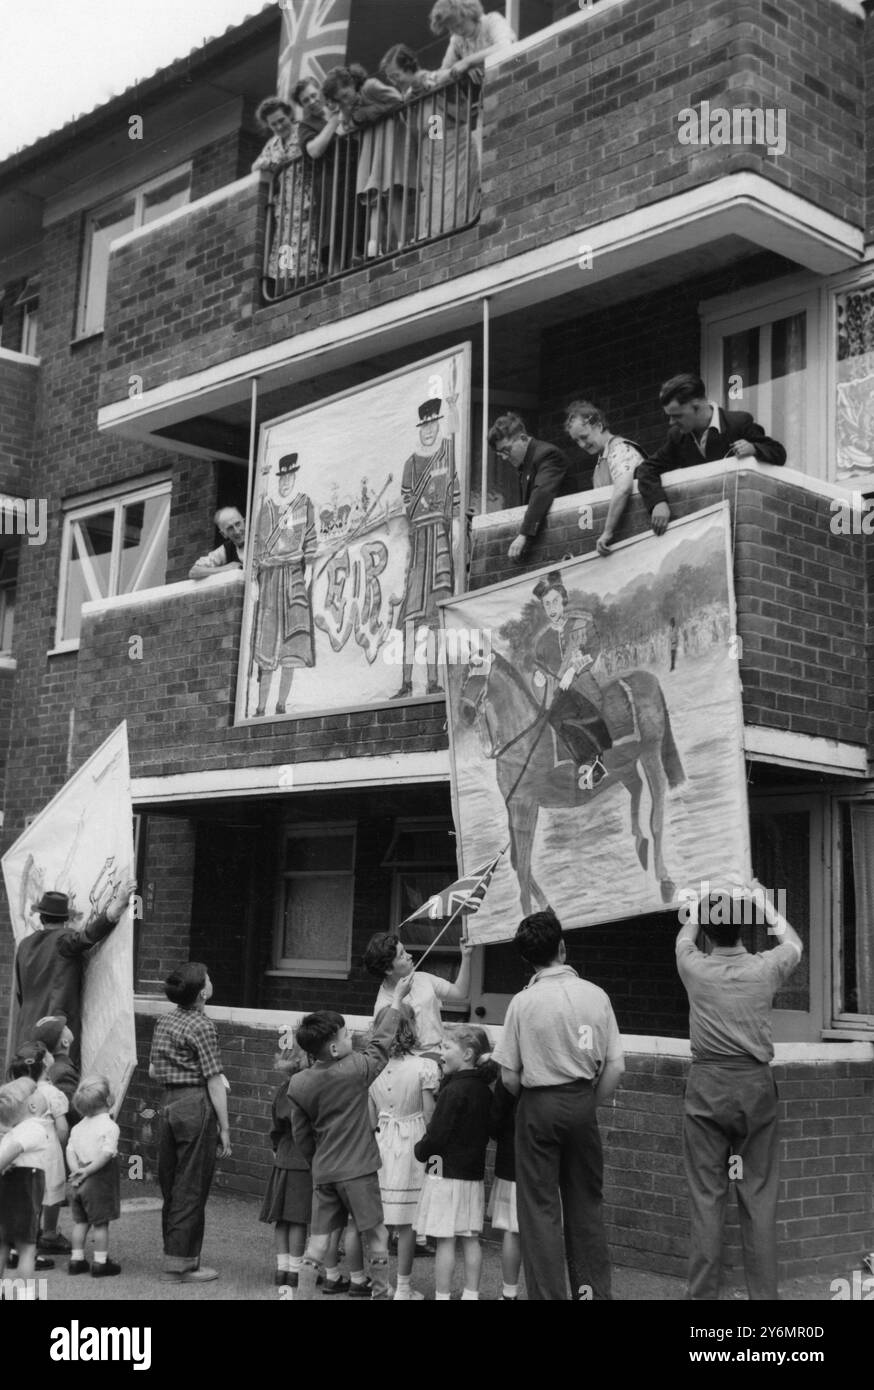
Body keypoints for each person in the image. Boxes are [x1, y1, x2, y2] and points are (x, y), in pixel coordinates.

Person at [675, 880, 803, 1301]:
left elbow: (684, 936)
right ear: (742, 930)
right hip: (754, 1086)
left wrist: (696, 906)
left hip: (707, 1084)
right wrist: (763, 902)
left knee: (707, 1196)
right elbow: (794, 942)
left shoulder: (693, 966)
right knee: (758, 1195)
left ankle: (701, 1297)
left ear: (709, 933)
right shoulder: (765, 968)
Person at [493, 909, 625, 1301]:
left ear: (526, 959)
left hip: (537, 1104)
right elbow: (616, 1066)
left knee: (538, 1211)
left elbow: (508, 1076)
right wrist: (588, 1103)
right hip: (583, 1100)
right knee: (585, 1205)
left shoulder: (522, 1002)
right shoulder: (596, 995)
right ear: (563, 948)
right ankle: (591, 1294)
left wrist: (535, 1102)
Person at [287, 974, 414, 1301]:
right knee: (377, 1234)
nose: (351, 1035)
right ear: (333, 1047)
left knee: (317, 1243)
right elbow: (381, 1044)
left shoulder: (298, 1084)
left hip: (324, 1170)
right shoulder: (355, 1069)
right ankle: (380, 1294)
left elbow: (302, 1135)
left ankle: (302, 1297)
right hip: (358, 1171)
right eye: (346, 1034)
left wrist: (317, 1160)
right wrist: (396, 1002)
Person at [148, 962, 231, 1284]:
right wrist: (225, 1128)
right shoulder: (203, 1025)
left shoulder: (165, 1020)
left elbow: (155, 1070)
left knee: (171, 1183)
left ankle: (176, 1255)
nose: (211, 981)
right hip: (195, 1105)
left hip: (167, 1105)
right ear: (201, 993)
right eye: (207, 978)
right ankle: (183, 1266)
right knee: (191, 1186)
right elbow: (213, 1080)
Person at [636, 373, 787, 536]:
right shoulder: (677, 437)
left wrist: (754, 448)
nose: (671, 422)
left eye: (677, 416)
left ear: (697, 406)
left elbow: (778, 452)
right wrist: (657, 502)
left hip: (740, 526)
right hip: (700, 529)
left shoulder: (738, 423)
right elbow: (646, 469)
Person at [14, 879, 136, 1065]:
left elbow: (20, 993)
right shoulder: (63, 940)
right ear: (65, 919)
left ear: (41, 917)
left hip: (26, 1027)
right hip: (54, 1032)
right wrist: (118, 905)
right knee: (55, 1084)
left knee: (26, 1081)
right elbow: (89, 935)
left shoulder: (24, 945)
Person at [413, 1024, 493, 1301]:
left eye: (446, 1047)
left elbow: (436, 1138)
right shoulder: (485, 1090)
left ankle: (443, 1296)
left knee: (445, 1239)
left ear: (468, 1054)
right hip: (472, 1175)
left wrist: (420, 1151)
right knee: (471, 1237)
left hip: (443, 1172)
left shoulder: (453, 1091)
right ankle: (471, 1295)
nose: (440, 1053)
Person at [368, 1006, 440, 1300]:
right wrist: (436, 1162)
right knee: (408, 1222)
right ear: (411, 1027)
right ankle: (404, 1288)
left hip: (382, 1140)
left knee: (380, 1221)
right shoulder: (425, 1066)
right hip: (414, 1143)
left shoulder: (370, 1066)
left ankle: (379, 1287)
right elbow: (430, 1114)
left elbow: (370, 1118)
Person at [391, 394, 460, 698]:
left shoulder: (447, 451)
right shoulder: (410, 463)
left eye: (434, 423)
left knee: (434, 618)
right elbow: (407, 500)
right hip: (419, 541)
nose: (429, 429)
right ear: (419, 428)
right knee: (410, 617)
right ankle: (406, 683)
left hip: (440, 539)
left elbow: (455, 488)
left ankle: (433, 681)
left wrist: (456, 522)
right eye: (425, 425)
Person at [380, 43, 479, 236]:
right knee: (436, 212)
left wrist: (434, 92)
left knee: (452, 211)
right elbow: (424, 129)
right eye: (390, 78)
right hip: (433, 156)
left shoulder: (435, 79)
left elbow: (461, 114)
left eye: (396, 75)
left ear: (409, 68)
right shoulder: (409, 95)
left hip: (452, 151)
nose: (394, 82)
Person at [532, 570, 615, 790]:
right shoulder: (542, 641)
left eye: (555, 602)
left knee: (588, 709)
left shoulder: (582, 624)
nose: (551, 608)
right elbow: (540, 669)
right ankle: (581, 763)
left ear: (563, 601)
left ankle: (597, 761)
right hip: (560, 691)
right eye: (547, 604)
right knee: (555, 718)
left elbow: (594, 650)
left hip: (582, 683)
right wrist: (539, 679)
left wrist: (574, 671)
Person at [251, 453, 316, 718]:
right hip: (269, 581)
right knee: (267, 649)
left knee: (291, 650)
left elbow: (310, 535)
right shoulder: (266, 508)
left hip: (293, 579)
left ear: (295, 476)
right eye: (282, 477)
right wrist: (255, 578)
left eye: (290, 476)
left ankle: (281, 705)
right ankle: (259, 707)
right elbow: (257, 544)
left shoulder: (304, 504)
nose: (286, 481)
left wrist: (309, 568)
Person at [321, 64, 409, 259]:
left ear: (352, 83)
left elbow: (398, 100)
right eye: (340, 99)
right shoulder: (348, 106)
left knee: (391, 191)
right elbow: (347, 125)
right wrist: (349, 113)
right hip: (371, 146)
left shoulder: (370, 86)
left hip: (388, 140)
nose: (346, 100)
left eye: (345, 94)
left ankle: (402, 240)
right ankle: (373, 245)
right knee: (374, 198)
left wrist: (365, 115)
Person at [7, 1041, 70, 1257]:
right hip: (46, 1149)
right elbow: (62, 1127)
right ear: (45, 1066)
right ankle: (44, 1239)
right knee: (45, 1194)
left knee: (21, 1198)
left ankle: (14, 1245)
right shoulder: (52, 1093)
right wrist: (62, 1148)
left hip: (18, 1147)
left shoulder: (15, 1090)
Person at [365, 933, 474, 1054]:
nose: (409, 956)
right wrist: (399, 998)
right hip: (412, 1062)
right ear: (389, 969)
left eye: (405, 950)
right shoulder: (383, 1005)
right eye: (401, 955)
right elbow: (385, 1048)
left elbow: (460, 993)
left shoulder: (423, 978)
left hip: (441, 1053)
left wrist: (466, 956)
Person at [565, 400, 646, 556]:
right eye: (577, 440)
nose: (582, 445)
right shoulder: (602, 459)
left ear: (599, 426)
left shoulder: (620, 449)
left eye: (584, 436)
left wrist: (608, 532)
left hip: (633, 535)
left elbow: (623, 489)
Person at [487, 413, 569, 561]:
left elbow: (541, 492)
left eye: (506, 450)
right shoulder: (525, 464)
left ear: (523, 439)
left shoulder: (547, 454)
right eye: (500, 454)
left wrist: (523, 534)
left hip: (564, 536)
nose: (505, 457)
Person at [252, 96, 315, 285]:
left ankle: (309, 283)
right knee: (286, 250)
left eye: (281, 120)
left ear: (289, 115)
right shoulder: (272, 144)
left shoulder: (302, 130)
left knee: (309, 247)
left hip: (307, 198)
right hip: (286, 208)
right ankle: (286, 288)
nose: (279, 127)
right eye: (273, 125)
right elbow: (256, 166)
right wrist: (268, 163)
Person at [66, 1075, 121, 1278]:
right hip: (98, 1180)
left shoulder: (78, 1127)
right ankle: (100, 1263)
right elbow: (107, 1154)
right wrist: (88, 1171)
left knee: (81, 1222)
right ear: (108, 1100)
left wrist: (77, 1171)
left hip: (78, 1180)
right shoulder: (110, 1126)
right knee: (100, 1223)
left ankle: (76, 1259)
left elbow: (70, 1150)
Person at [0, 1078, 50, 1291]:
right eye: (37, 1091)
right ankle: (22, 1295)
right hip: (24, 1189)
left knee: (1, 1244)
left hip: (6, 1187)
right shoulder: (34, 1129)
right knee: (27, 1248)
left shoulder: (10, 1132)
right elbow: (14, 1151)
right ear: (32, 1105)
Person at [488, 1073, 521, 1301]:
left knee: (512, 1228)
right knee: (544, 1229)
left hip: (512, 1156)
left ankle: (510, 1293)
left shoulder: (509, 1073)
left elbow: (495, 1120)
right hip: (548, 1160)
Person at [431, 0, 517, 84]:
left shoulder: (492, 20)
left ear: (470, 14)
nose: (459, 31)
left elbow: (504, 46)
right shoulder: (456, 40)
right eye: (452, 29)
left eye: (460, 24)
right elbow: (440, 76)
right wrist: (462, 71)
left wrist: (467, 62)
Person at [189, 507, 247, 582]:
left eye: (238, 524)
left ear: (245, 522)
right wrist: (226, 568)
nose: (237, 531)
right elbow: (194, 572)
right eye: (230, 528)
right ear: (224, 534)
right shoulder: (225, 549)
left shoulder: (260, 537)